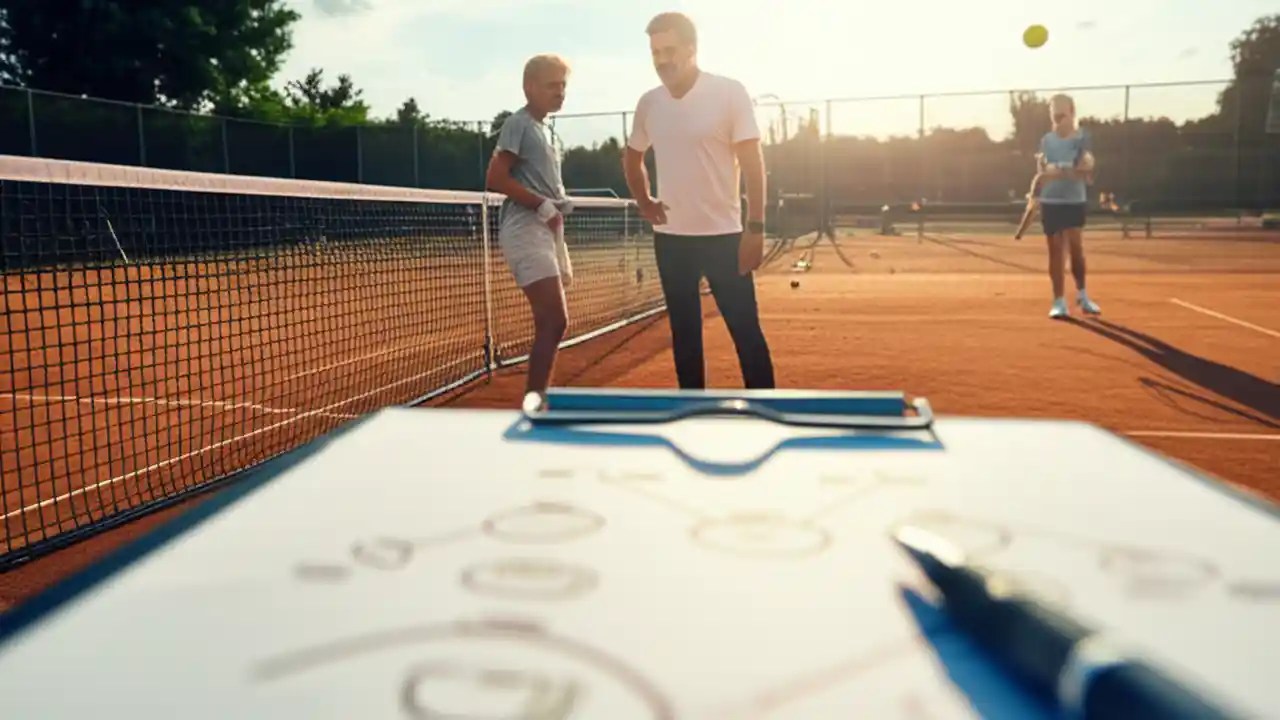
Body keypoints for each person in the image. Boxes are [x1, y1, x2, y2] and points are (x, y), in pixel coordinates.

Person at [622, 11, 775, 390]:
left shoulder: (729, 92)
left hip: (726, 238)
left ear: (691, 49)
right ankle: (691, 411)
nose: (661, 60)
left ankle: (767, 410)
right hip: (672, 241)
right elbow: (632, 156)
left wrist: (755, 228)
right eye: (655, 52)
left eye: (669, 50)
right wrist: (644, 200)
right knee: (684, 335)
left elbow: (753, 163)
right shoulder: (649, 103)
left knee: (746, 332)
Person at [485, 54, 575, 400]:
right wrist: (541, 204)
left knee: (553, 322)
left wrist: (557, 202)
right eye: (553, 85)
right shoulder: (518, 123)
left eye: (563, 85)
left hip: (544, 228)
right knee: (554, 320)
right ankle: (535, 403)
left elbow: (542, 184)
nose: (560, 92)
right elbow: (495, 177)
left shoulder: (543, 129)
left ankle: (538, 400)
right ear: (529, 87)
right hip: (524, 229)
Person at [1037, 93, 1101, 319]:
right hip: (1050, 201)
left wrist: (1066, 171)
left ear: (1072, 113)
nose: (1057, 118)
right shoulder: (1046, 140)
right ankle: (1058, 301)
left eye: (1061, 114)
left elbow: (1085, 171)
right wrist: (1052, 173)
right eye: (1054, 114)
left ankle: (1082, 296)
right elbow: (1043, 171)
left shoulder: (1083, 139)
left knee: (1076, 248)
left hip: (1074, 201)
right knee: (1055, 250)